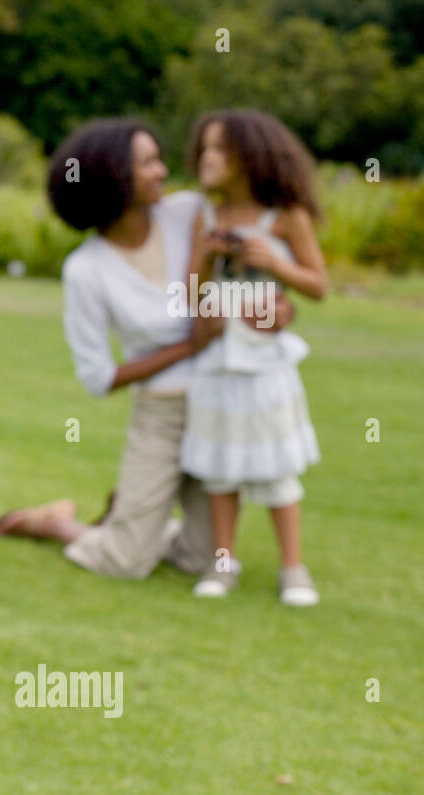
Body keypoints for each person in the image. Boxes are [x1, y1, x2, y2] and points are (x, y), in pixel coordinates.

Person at [0, 117, 295, 578]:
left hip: (216, 401)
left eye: (159, 159)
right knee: (126, 563)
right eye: (148, 163)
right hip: (160, 412)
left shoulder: (191, 212)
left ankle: (131, 518)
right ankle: (59, 524)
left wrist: (280, 310)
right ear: (112, 175)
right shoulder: (86, 271)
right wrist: (188, 348)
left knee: (202, 558)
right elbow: (98, 378)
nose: (162, 171)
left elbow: (252, 278)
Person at [180, 110, 326, 605]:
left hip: (265, 363)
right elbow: (191, 297)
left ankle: (293, 568)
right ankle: (224, 563)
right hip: (218, 362)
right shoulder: (206, 215)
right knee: (222, 471)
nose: (208, 158)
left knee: (276, 470)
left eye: (220, 149)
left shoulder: (285, 215)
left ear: (249, 157)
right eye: (205, 148)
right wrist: (204, 256)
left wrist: (275, 263)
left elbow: (318, 285)